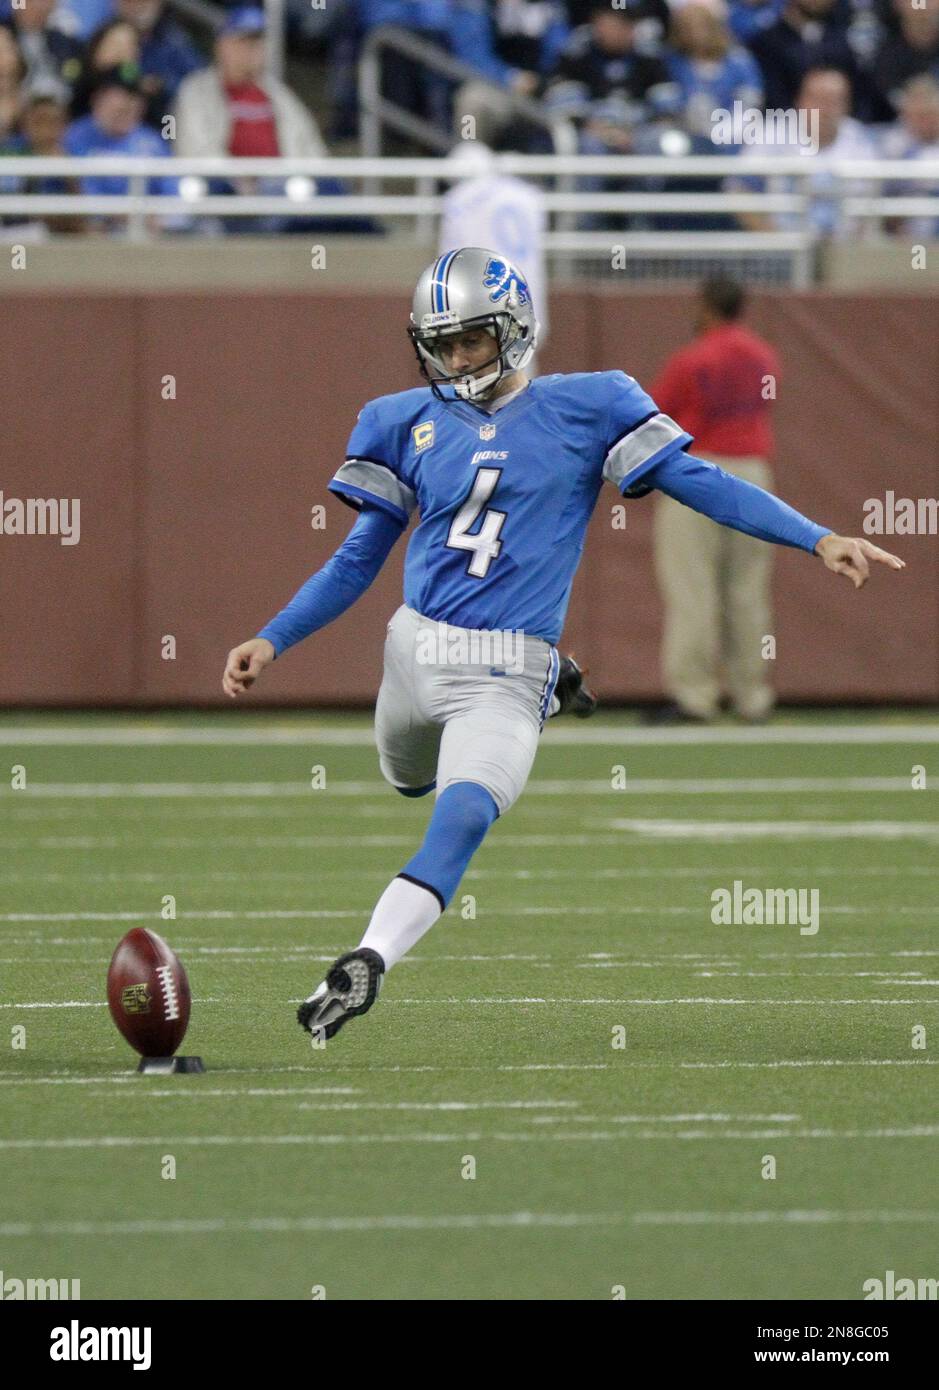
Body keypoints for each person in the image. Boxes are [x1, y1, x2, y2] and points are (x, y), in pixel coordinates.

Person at [220, 247, 904, 1042]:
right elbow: (356, 558)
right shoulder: (399, 421)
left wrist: (816, 538)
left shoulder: (589, 405)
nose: (454, 358)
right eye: (440, 344)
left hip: (505, 667)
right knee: (406, 782)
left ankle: (369, 957)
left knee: (464, 813)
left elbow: (702, 482)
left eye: (469, 340)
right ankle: (558, 684)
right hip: (411, 650)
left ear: (511, 330)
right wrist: (274, 638)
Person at [646, 275, 781, 724]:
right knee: (747, 590)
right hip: (754, 473)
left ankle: (695, 696)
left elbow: (657, 413)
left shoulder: (692, 359)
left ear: (706, 306)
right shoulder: (764, 357)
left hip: (700, 472)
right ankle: (752, 696)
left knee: (693, 588)